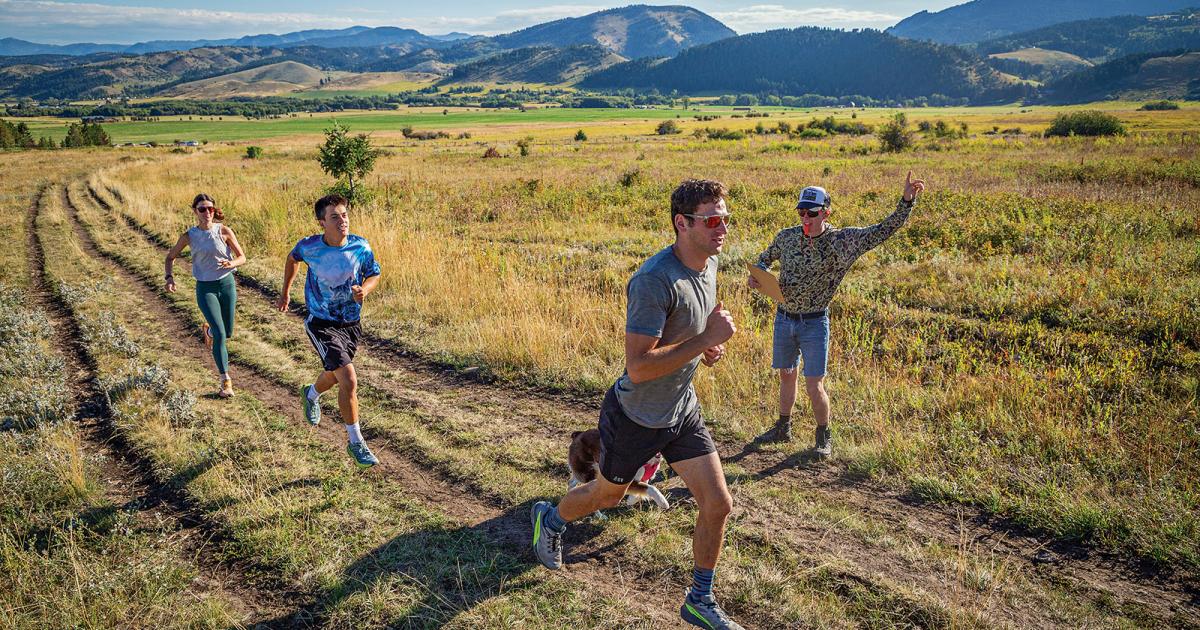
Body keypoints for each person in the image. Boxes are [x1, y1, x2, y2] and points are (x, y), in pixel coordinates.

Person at [531, 179, 744, 630]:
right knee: (606, 496)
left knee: (718, 504)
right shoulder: (653, 280)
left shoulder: (708, 263)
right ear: (681, 224)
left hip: (681, 409)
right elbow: (640, 367)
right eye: (712, 219)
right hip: (636, 416)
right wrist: (705, 338)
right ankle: (549, 519)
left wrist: (706, 348)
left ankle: (698, 600)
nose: (722, 227)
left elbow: (687, 331)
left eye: (725, 217)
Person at [751, 172, 925, 455]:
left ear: (826, 212)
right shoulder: (787, 237)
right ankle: (783, 428)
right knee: (786, 374)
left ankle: (823, 436)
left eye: (812, 213)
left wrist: (906, 202)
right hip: (784, 318)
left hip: (814, 323)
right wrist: (760, 274)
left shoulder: (843, 241)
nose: (805, 219)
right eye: (801, 212)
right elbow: (764, 257)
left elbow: (883, 230)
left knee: (813, 383)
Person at [275, 194, 382, 469]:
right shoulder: (310, 247)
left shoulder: (361, 246)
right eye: (335, 216)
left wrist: (364, 290)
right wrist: (286, 292)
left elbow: (374, 273)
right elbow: (292, 258)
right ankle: (356, 442)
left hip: (351, 323)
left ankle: (310, 393)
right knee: (348, 378)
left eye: (344, 215)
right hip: (321, 323)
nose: (342, 220)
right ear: (322, 222)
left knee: (335, 377)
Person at [165, 193, 246, 398]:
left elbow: (242, 257)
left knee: (226, 333)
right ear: (195, 212)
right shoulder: (189, 236)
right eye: (202, 209)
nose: (207, 212)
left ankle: (208, 332)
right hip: (205, 288)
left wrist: (232, 264)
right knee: (221, 335)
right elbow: (170, 257)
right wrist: (169, 278)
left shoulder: (224, 231)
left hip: (227, 284)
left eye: (210, 208)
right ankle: (225, 381)